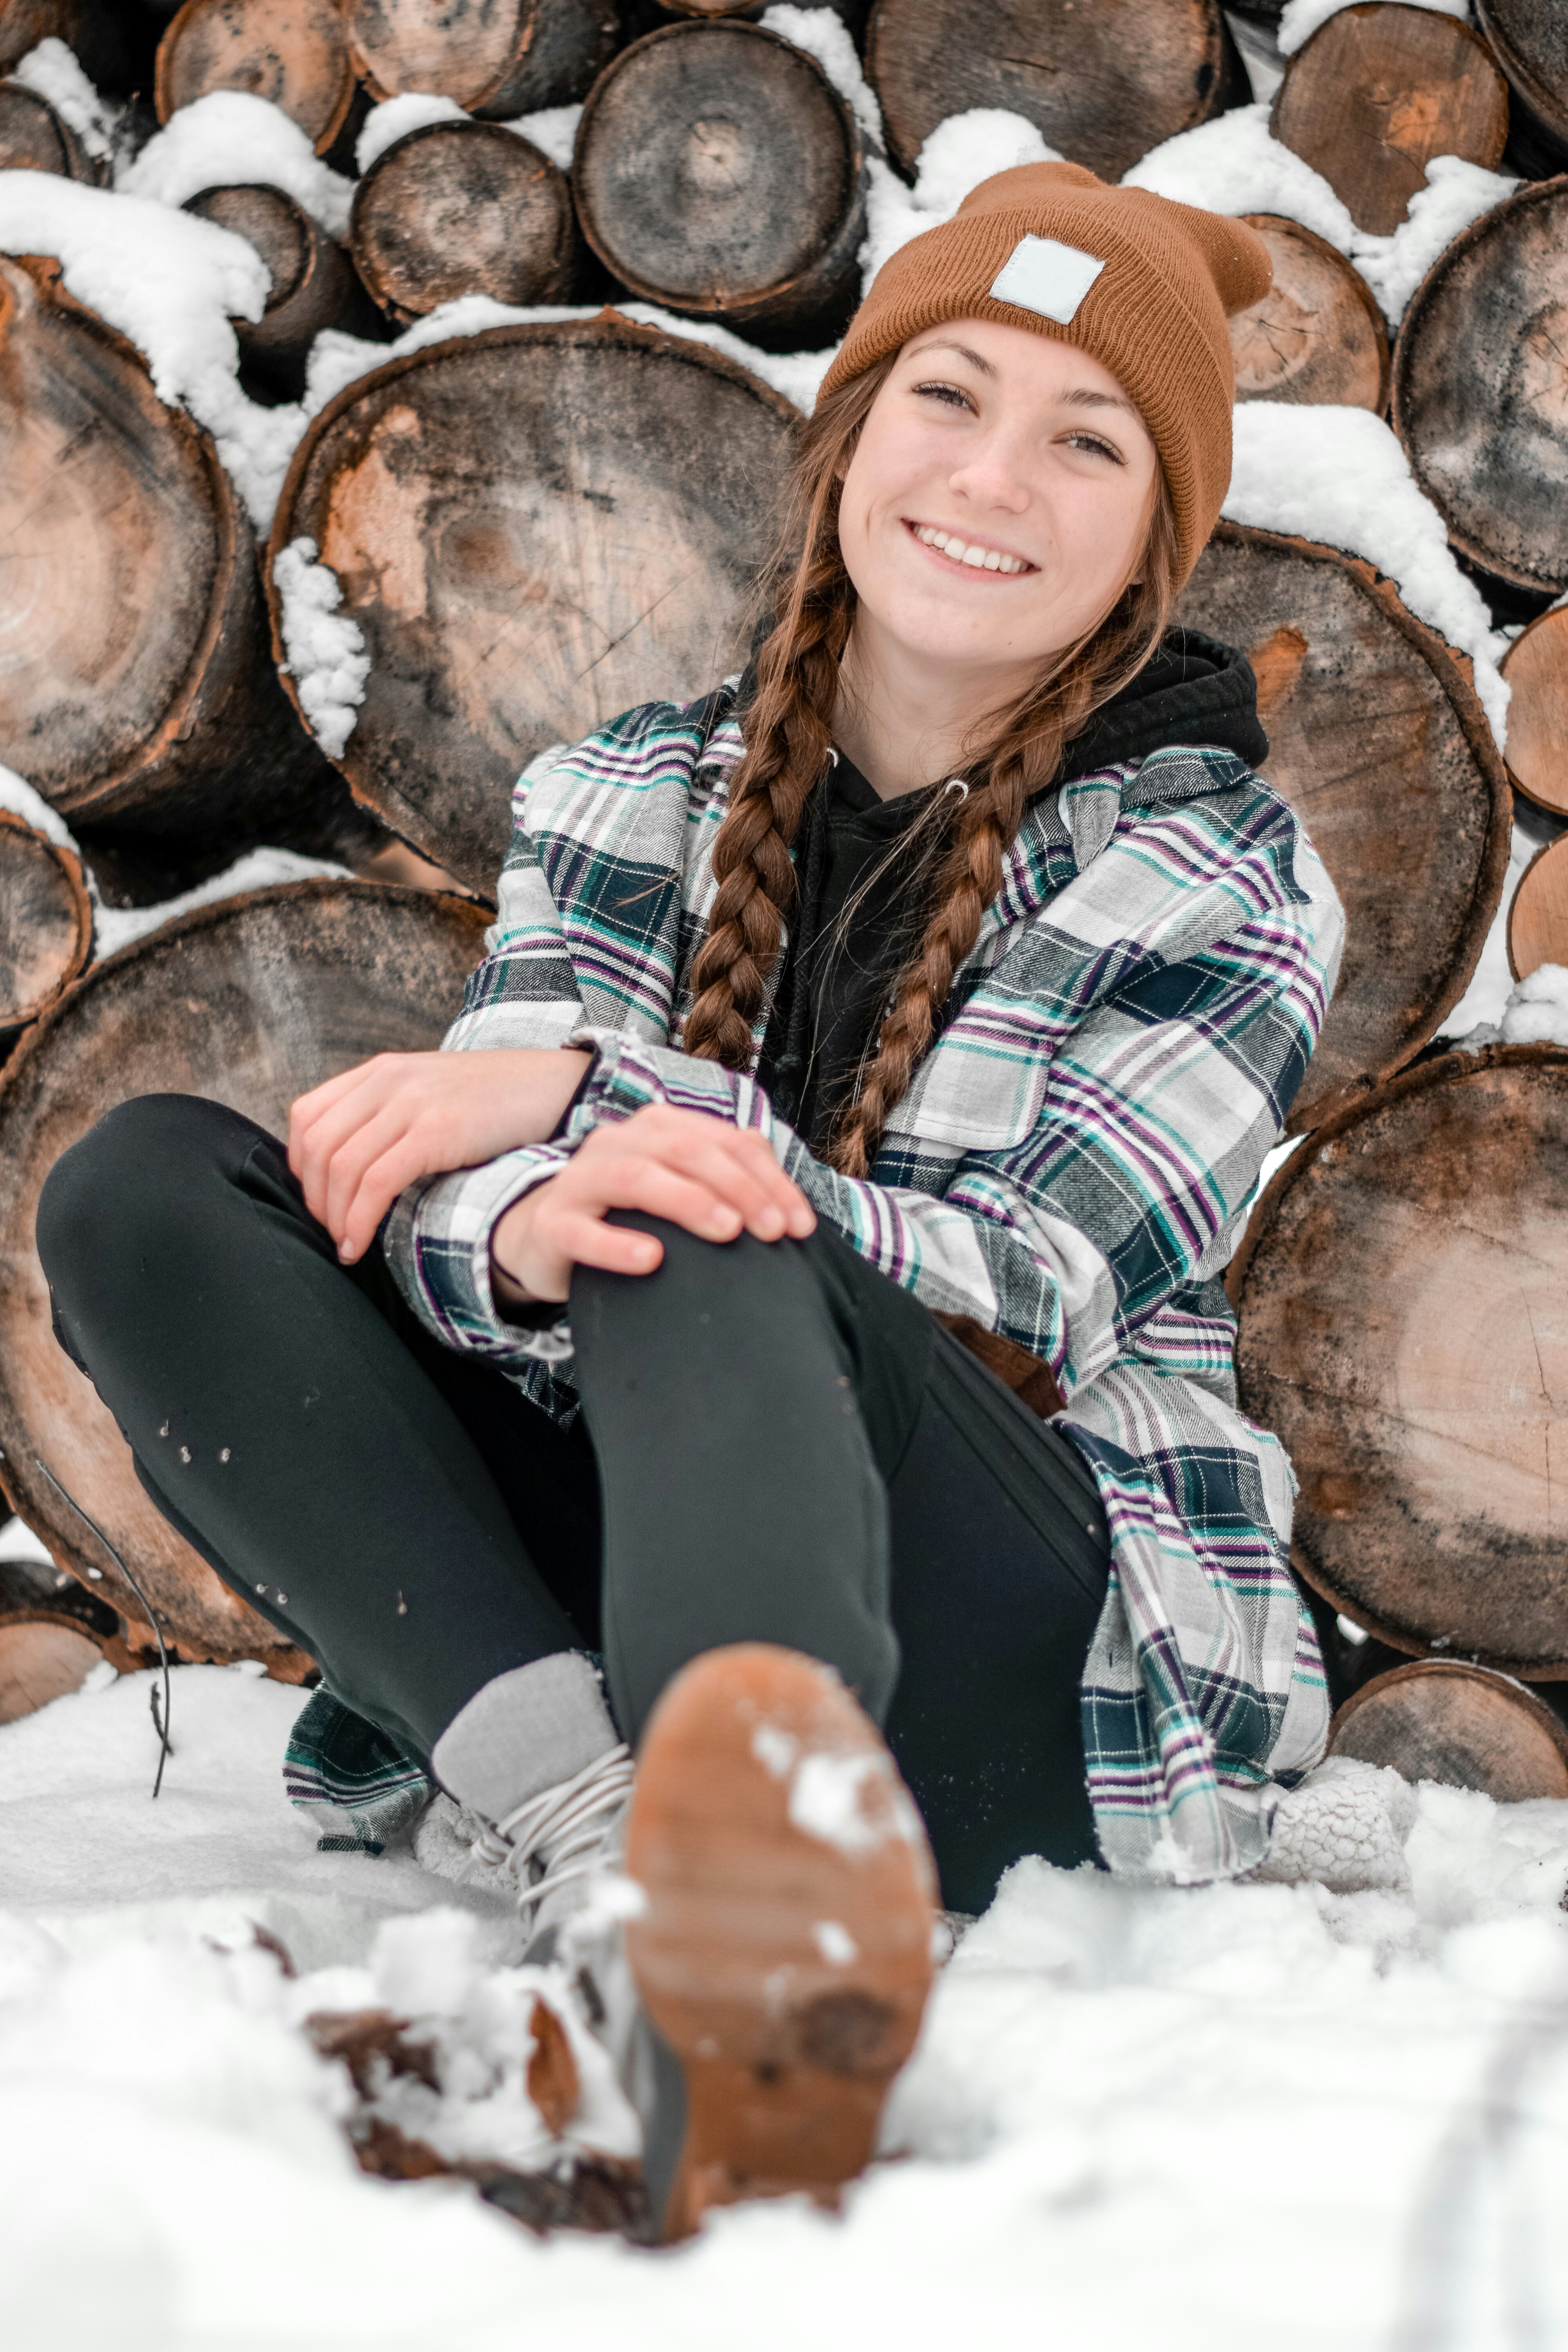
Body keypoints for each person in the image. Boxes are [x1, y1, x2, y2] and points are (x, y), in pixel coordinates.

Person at [36, 162, 1345, 2237]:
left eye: (1086, 441)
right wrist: (530, 1218)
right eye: (949, 394)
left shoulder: (1220, 879)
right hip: (636, 1602)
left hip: (999, 1652)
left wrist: (596, 1123)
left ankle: (754, 1917)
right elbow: (472, 1192)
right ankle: (607, 1836)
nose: (992, 475)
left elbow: (1039, 1287)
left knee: (700, 1214)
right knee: (149, 1184)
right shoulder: (627, 788)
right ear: (850, 435)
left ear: (1148, 543)